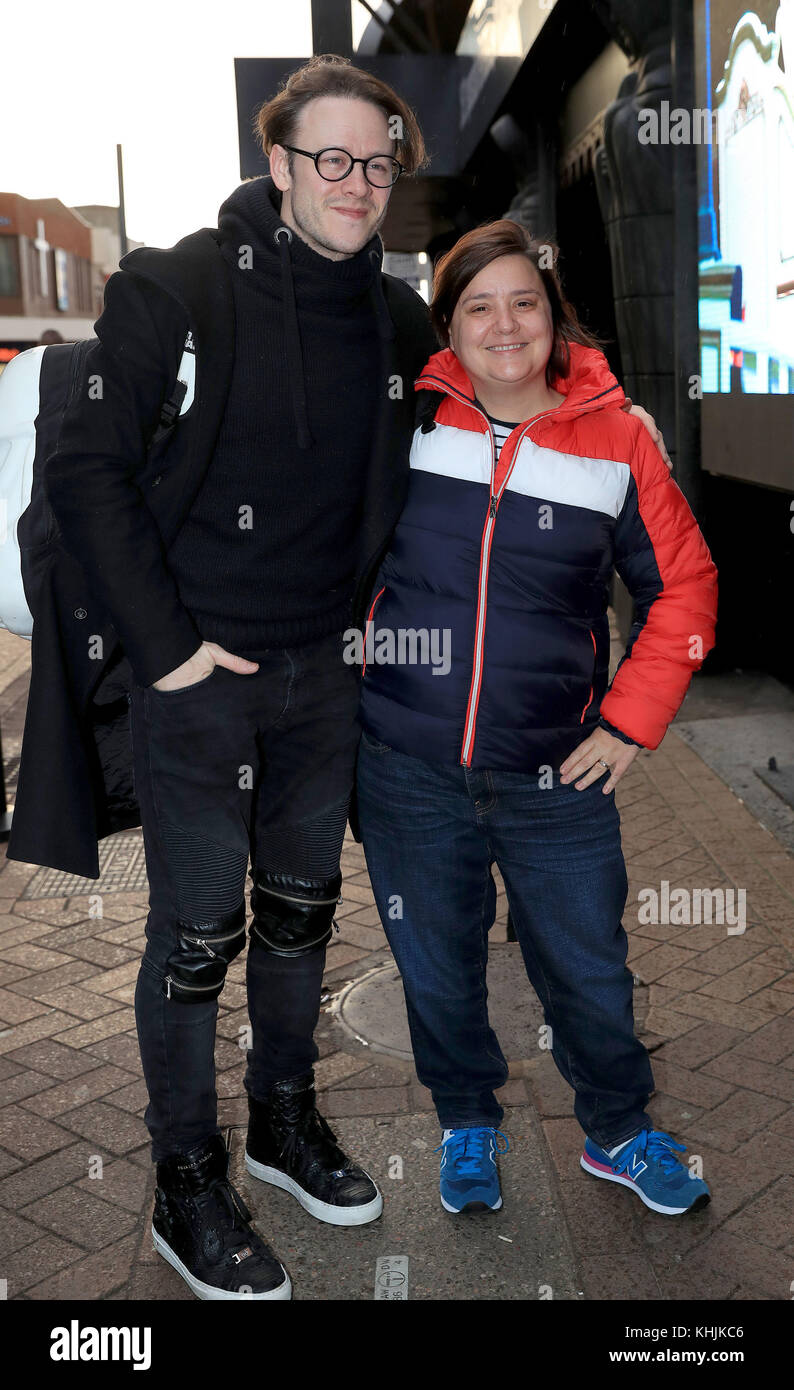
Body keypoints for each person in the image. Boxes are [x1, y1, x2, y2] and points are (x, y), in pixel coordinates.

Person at [10, 57, 670, 1300]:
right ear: (278, 163)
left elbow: (518, 376)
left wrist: (601, 401)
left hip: (328, 678)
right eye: (332, 158)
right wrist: (167, 649)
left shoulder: (394, 316)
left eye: (377, 161)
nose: (357, 182)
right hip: (195, 677)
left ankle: (280, 1119)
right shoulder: (179, 284)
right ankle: (184, 1180)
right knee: (197, 931)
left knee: (304, 915)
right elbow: (88, 466)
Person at [356, 219, 718, 1220]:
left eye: (523, 300)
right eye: (477, 304)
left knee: (589, 969)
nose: (503, 323)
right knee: (434, 965)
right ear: (447, 324)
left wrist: (627, 724)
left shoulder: (615, 436)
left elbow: (682, 590)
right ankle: (465, 1121)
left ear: (552, 314)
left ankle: (617, 1132)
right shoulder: (406, 421)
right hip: (405, 764)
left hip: (556, 772)